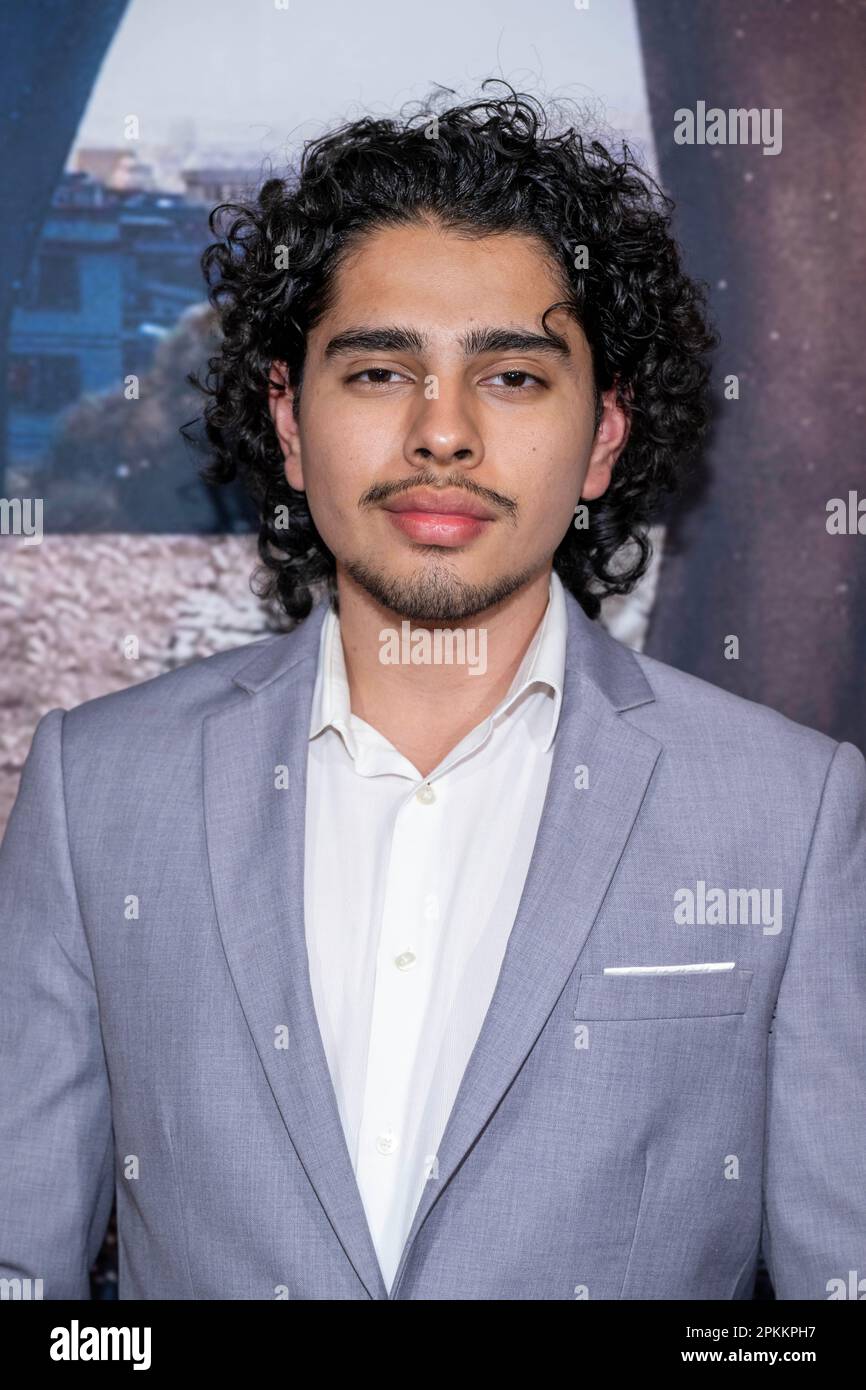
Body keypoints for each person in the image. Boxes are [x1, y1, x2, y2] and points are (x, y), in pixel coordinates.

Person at [1, 85, 863, 1301]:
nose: (440, 431)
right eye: (375, 372)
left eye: (510, 377)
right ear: (289, 427)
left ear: (604, 436)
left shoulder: (790, 813)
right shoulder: (99, 788)